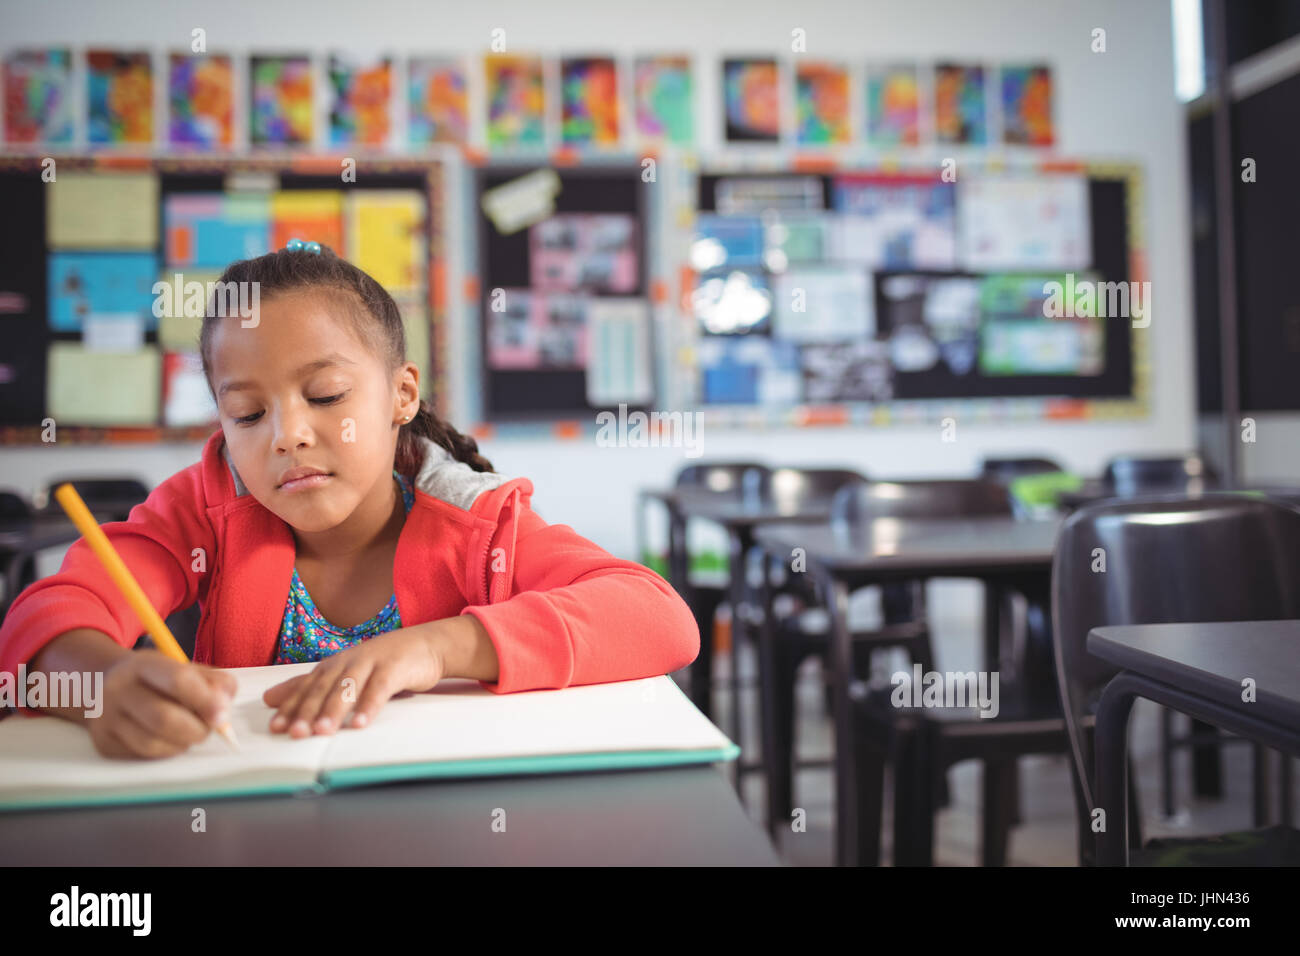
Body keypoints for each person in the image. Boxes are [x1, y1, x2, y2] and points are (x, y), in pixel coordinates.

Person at [0, 243, 699, 758]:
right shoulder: (203, 512)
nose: (287, 435)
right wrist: (102, 682)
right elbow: (47, 615)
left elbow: (659, 617)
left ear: (401, 395)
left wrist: (437, 648)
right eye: (246, 413)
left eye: (326, 396)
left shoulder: (477, 522)